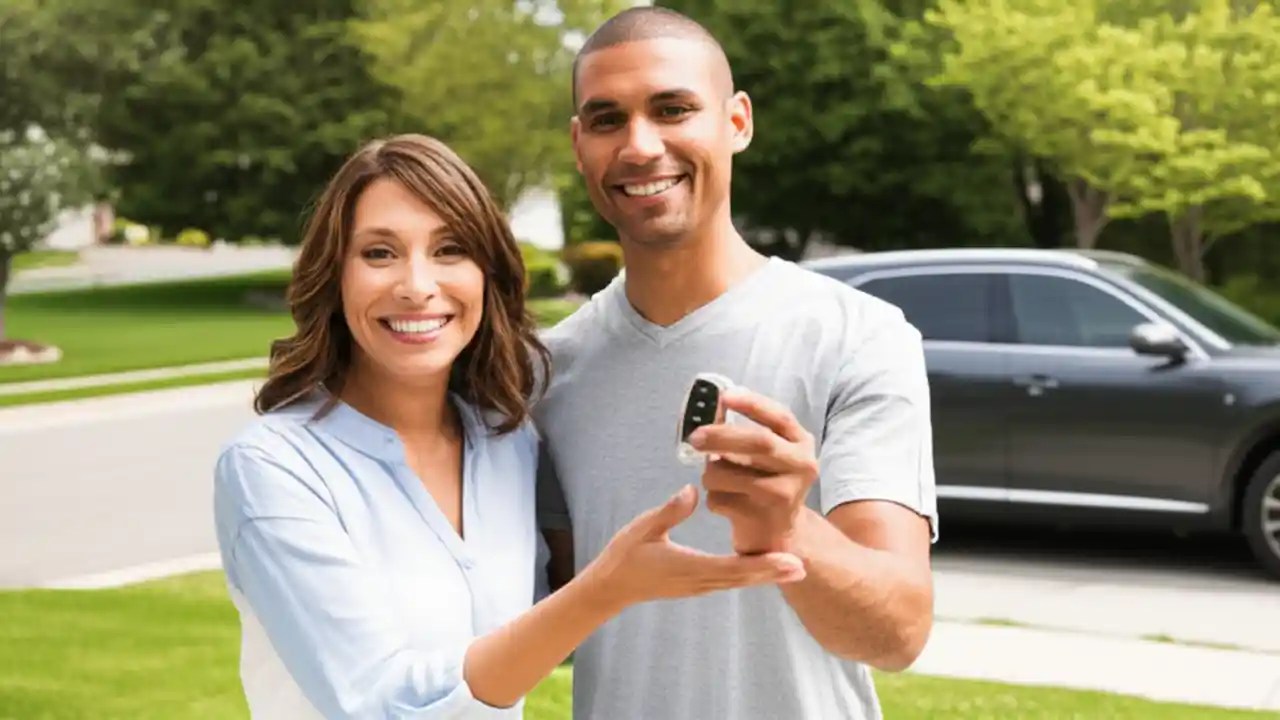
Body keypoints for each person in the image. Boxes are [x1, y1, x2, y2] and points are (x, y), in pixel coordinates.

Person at [211, 133, 808, 719]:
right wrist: (605, 589)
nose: (418, 287)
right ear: (334, 276)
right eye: (379, 253)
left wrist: (757, 505)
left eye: (449, 251)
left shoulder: (507, 440)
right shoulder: (274, 468)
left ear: (486, 273)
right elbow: (384, 704)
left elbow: (547, 631)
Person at [534, 7, 939, 719]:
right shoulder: (548, 371)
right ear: (578, 144)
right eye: (606, 120)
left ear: (738, 122)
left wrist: (787, 528)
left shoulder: (858, 337)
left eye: (673, 109)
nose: (639, 146)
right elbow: (544, 616)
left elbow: (899, 633)